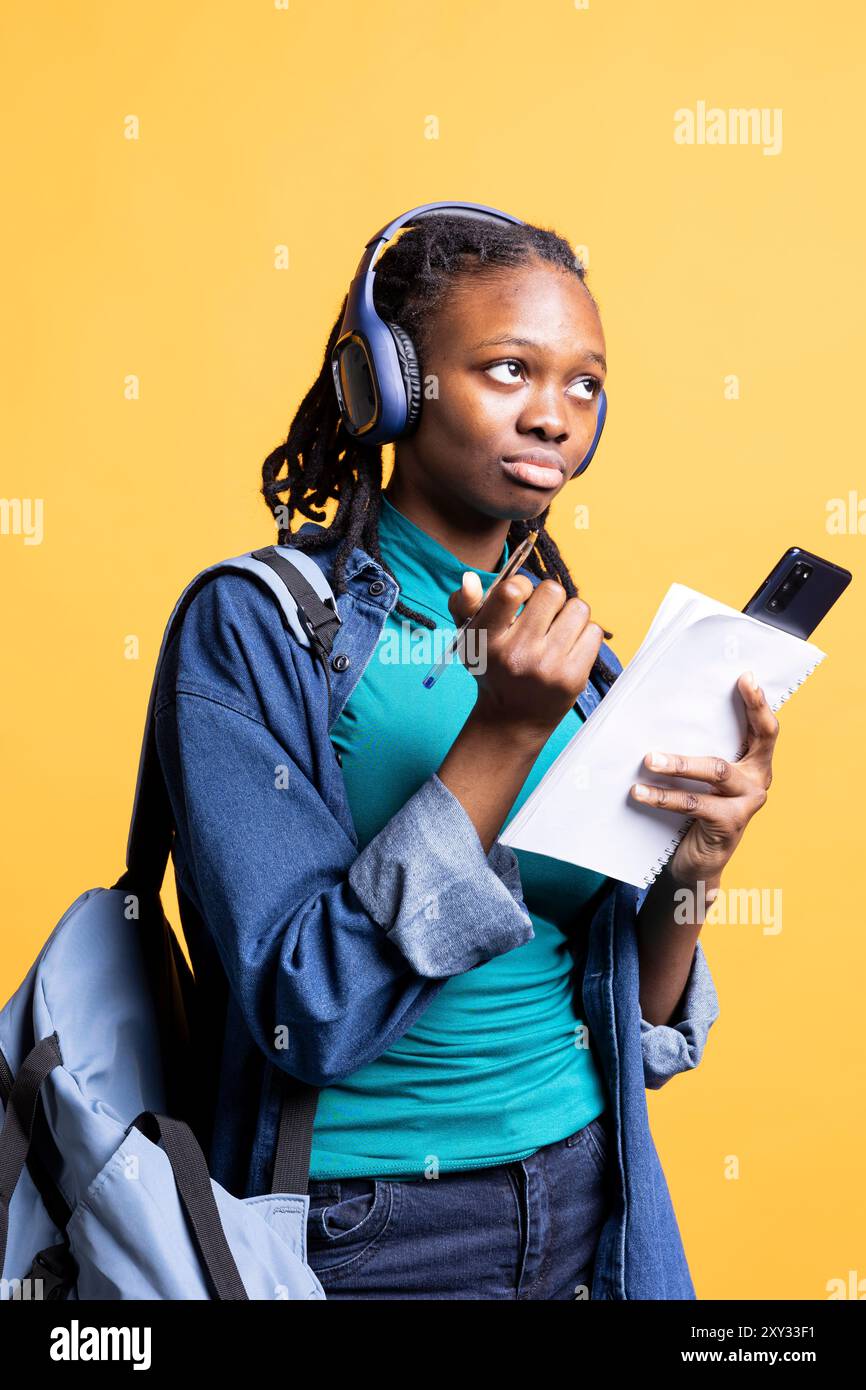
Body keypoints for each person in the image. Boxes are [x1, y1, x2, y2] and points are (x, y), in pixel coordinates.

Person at [154, 206, 779, 1299]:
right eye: (506, 369)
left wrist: (692, 872)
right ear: (391, 386)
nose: (553, 415)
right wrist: (499, 733)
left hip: (593, 1195)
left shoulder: (572, 658)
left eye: (583, 384)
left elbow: (633, 1031)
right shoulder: (255, 627)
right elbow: (308, 1007)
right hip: (365, 1227)